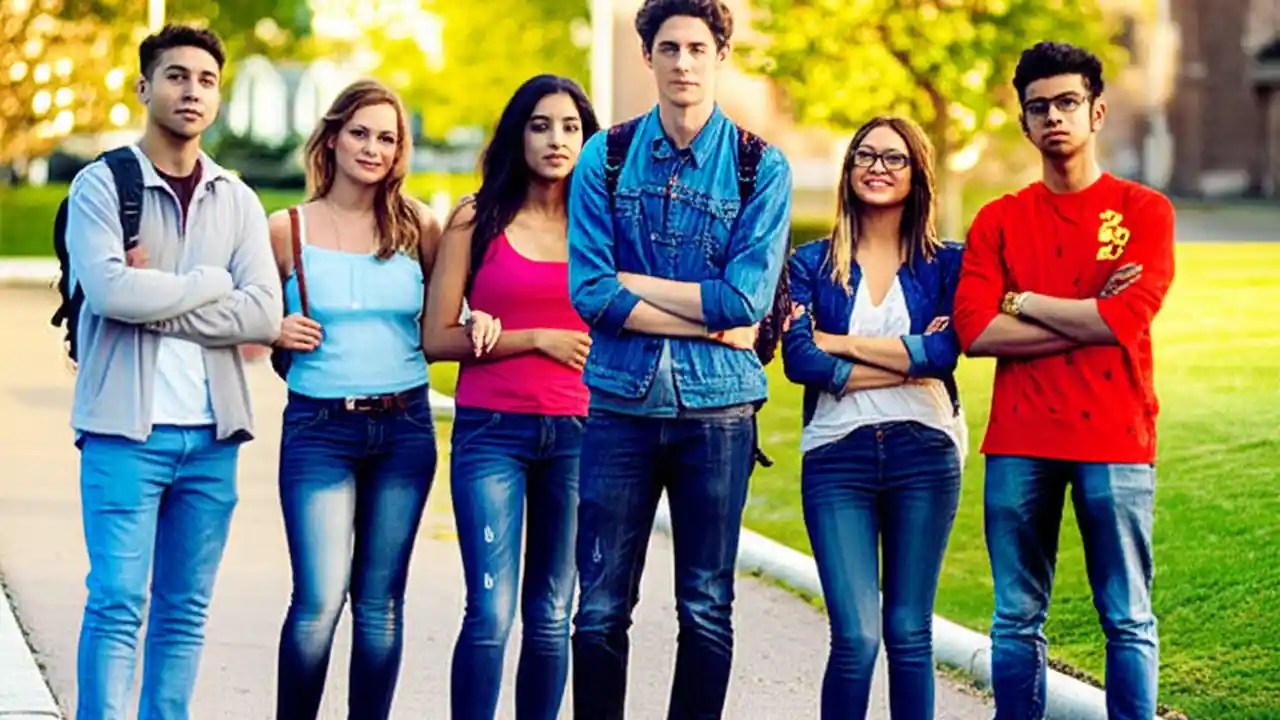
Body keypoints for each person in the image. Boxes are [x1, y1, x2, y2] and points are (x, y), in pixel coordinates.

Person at [566, 0, 793, 716]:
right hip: (618, 410)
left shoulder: (762, 167)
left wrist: (638, 285)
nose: (684, 63)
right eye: (669, 48)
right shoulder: (603, 159)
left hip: (718, 414)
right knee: (599, 608)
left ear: (721, 54)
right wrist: (700, 311)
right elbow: (590, 292)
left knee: (705, 606)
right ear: (648, 58)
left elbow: (745, 303)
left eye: (698, 48)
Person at [65, 24, 283, 719]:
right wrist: (211, 283)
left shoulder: (238, 198)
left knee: (185, 611)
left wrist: (159, 296)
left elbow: (261, 315)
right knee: (118, 602)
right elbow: (108, 292)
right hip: (123, 434)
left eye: (206, 80)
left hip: (212, 441)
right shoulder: (101, 185)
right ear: (144, 87)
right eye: (177, 76)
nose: (192, 91)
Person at [952, 41, 1175, 720]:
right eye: (1039, 106)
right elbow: (973, 332)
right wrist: (1089, 316)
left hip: (1117, 434)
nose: (1054, 116)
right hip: (1021, 437)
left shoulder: (1144, 211)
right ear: (1023, 122)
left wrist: (1022, 300)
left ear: (1098, 110)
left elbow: (1127, 317)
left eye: (1068, 102)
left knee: (1127, 615)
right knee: (1016, 615)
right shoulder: (998, 218)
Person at [423, 74, 600, 720]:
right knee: (490, 609)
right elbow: (436, 339)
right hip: (492, 431)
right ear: (517, 134)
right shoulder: (478, 217)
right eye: (540, 125)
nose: (557, 139)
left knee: (554, 613)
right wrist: (529, 338)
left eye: (570, 127)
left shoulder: (600, 227)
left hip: (581, 437)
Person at [269, 79, 442, 720]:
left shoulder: (419, 226)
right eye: (361, 133)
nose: (373, 148)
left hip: (404, 429)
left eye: (387, 138)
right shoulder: (285, 230)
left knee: (379, 604)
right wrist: (272, 328)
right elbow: (246, 315)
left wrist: (479, 317)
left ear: (400, 152)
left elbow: (449, 309)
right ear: (334, 136)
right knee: (318, 601)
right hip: (319, 430)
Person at [782, 116, 965, 719]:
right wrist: (908, 358)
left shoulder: (945, 266)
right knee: (857, 636)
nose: (877, 167)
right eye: (864, 156)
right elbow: (801, 360)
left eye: (893, 158)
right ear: (848, 169)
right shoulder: (810, 262)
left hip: (925, 453)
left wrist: (840, 342)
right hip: (838, 456)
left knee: (910, 634)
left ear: (917, 175)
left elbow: (945, 353)